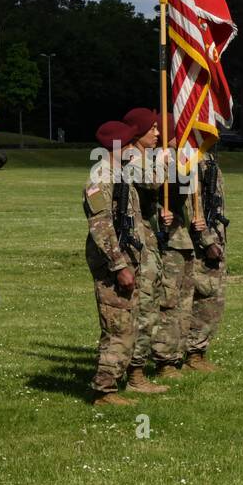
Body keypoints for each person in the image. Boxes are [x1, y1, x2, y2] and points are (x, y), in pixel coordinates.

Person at [85, 120, 154, 406]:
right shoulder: (101, 176)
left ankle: (115, 382)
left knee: (127, 323)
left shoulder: (119, 173)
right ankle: (104, 390)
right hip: (112, 263)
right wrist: (119, 266)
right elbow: (100, 226)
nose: (132, 149)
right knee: (117, 325)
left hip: (126, 257)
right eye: (128, 145)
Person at [121, 107, 172, 391]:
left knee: (150, 304)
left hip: (148, 238)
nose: (157, 133)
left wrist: (160, 211)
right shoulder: (130, 156)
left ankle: (136, 368)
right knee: (143, 306)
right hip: (138, 245)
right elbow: (151, 181)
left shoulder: (142, 156)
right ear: (138, 131)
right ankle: (135, 373)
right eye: (151, 128)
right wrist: (164, 163)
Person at [149, 118, 195, 382]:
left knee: (183, 300)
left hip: (183, 238)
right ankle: (164, 359)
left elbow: (185, 191)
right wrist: (159, 212)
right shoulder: (154, 160)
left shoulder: (180, 160)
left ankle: (178, 355)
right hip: (166, 239)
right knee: (168, 300)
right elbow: (144, 197)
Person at [186, 150, 227, 372]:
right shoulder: (191, 157)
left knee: (214, 298)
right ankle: (193, 353)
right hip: (204, 242)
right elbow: (193, 202)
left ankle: (199, 351)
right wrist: (207, 240)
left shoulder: (207, 156)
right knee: (205, 295)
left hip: (215, 235)